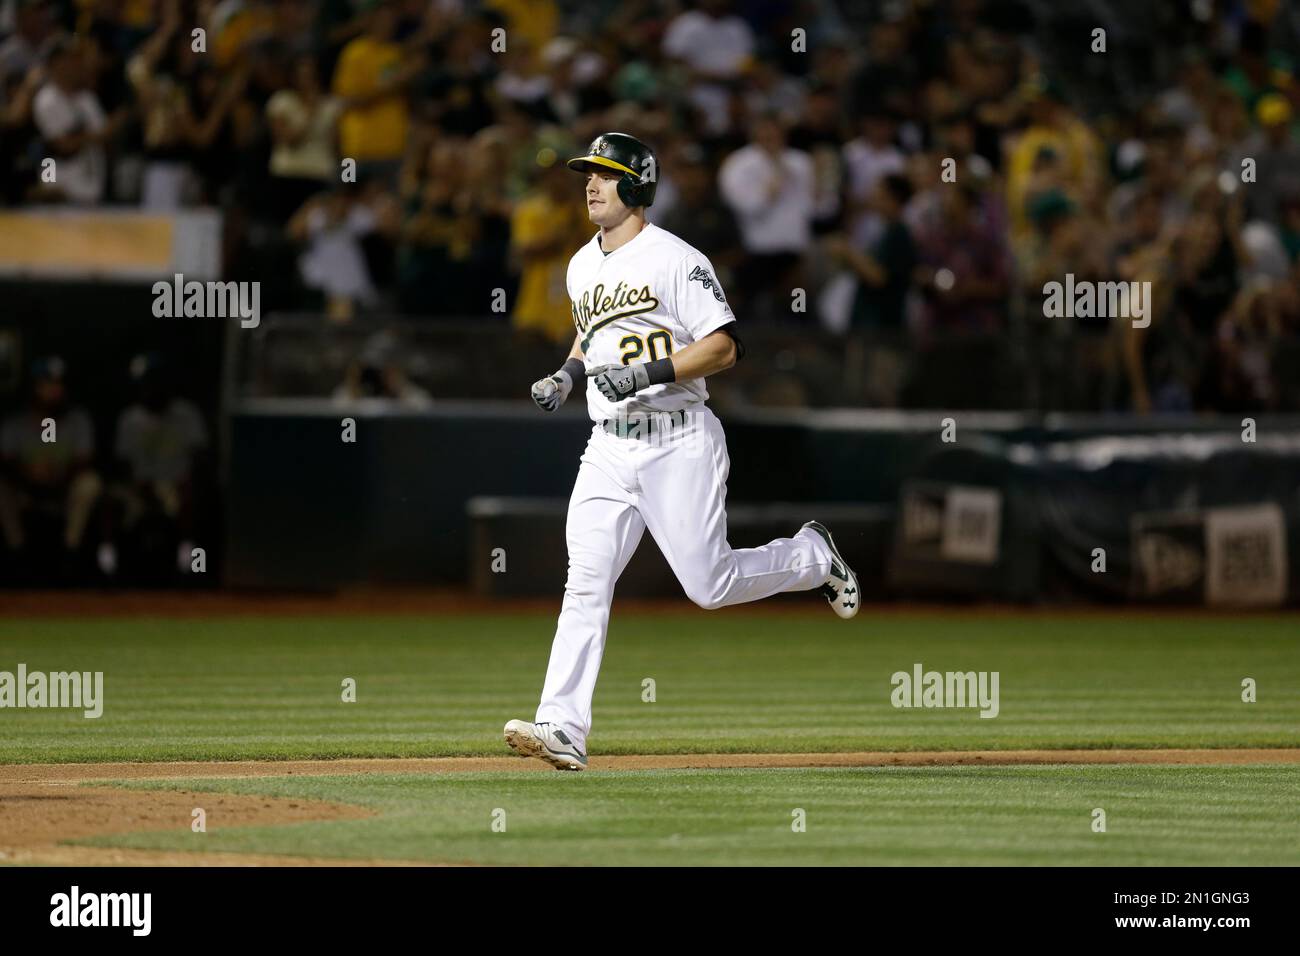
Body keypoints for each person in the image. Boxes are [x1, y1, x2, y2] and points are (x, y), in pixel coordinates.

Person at [503, 133, 861, 772]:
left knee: (709, 584)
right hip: (607, 447)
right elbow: (593, 334)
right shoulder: (580, 264)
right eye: (587, 174)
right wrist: (567, 372)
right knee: (584, 580)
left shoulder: (675, 258)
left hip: (679, 441)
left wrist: (646, 375)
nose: (590, 184)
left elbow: (724, 347)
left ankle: (811, 556)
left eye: (605, 175)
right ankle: (561, 726)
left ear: (636, 185)